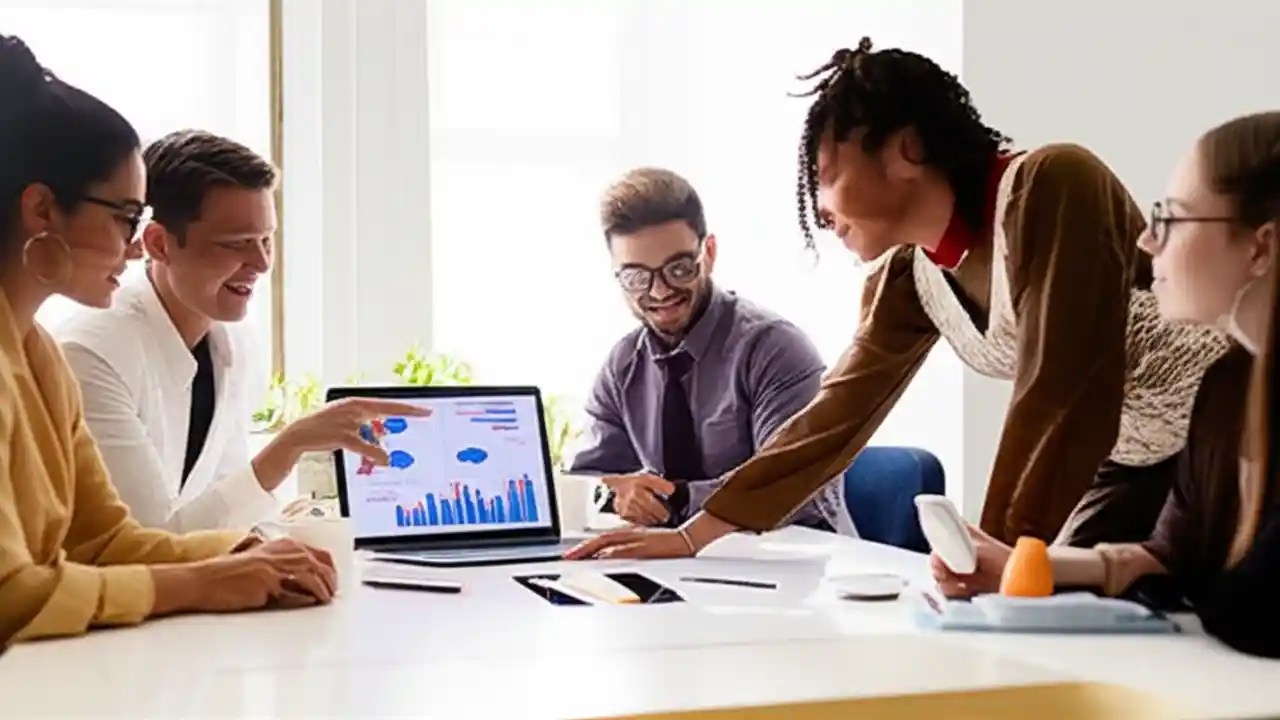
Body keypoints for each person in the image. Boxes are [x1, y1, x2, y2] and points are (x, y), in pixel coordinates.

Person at [567, 37, 1229, 561]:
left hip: (1238, 439)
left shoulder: (1052, 184)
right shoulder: (908, 276)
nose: (821, 209)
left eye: (826, 177)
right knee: (1054, 637)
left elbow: (1060, 395)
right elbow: (834, 420)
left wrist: (986, 556)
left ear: (906, 148)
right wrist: (694, 535)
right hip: (1130, 460)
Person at [0, 35, 337, 647]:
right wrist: (201, 582)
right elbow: (8, 594)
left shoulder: (39, 357)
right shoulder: (78, 351)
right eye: (127, 217)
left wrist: (241, 553)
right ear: (42, 210)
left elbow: (106, 543)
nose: (134, 246)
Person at [931, 112, 1280, 659]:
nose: (1145, 240)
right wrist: (1019, 566)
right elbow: (1170, 556)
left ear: (1259, 248)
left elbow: (1251, 613)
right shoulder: (1227, 386)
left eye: (1171, 218)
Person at [55, 129, 428, 531]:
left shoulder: (232, 342)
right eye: (236, 244)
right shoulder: (92, 354)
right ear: (160, 244)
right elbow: (147, 542)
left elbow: (221, 510)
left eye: (267, 239)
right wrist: (289, 445)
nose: (263, 263)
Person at [569, 167, 836, 529]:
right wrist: (615, 493)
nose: (660, 291)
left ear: (708, 253)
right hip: (673, 567)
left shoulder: (775, 350)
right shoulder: (623, 366)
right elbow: (584, 485)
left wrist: (676, 499)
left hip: (788, 564)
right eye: (636, 276)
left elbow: (789, 494)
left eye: (678, 269)